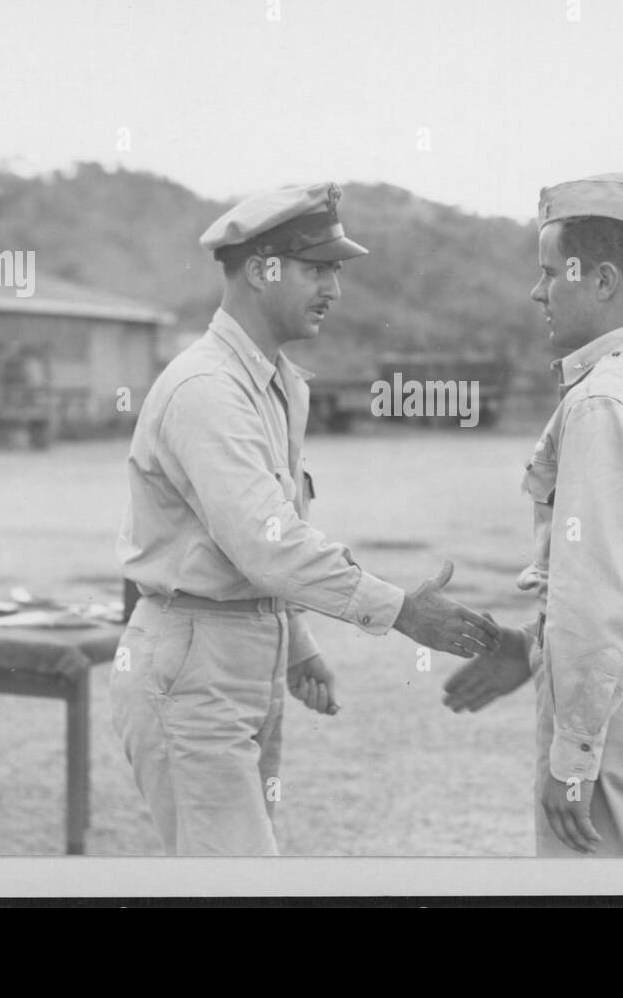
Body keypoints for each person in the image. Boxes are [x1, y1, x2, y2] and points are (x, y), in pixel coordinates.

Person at [111, 182, 499, 856]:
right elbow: (268, 543)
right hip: (190, 666)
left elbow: (259, 532)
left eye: (336, 270)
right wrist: (401, 608)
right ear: (263, 270)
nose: (335, 289)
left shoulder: (278, 380)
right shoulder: (207, 389)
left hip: (237, 657)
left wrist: (295, 640)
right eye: (318, 268)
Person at [442, 173, 623, 857]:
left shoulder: (605, 402)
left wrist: (575, 753)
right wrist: (537, 654)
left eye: (549, 272)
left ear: (602, 282)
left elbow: (597, 597)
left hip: (616, 710)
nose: (538, 292)